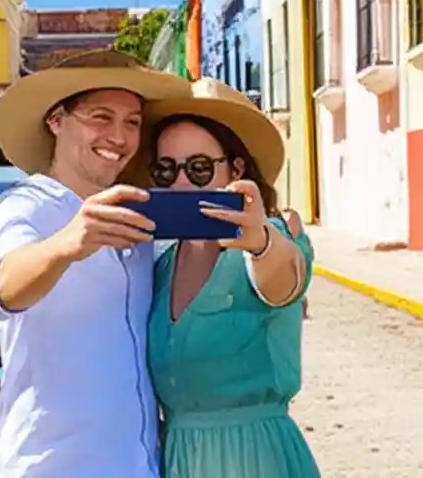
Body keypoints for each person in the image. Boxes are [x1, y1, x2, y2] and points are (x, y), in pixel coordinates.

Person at [0, 49, 190, 477]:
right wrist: (67, 244)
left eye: (132, 122)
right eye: (100, 117)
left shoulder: (138, 214)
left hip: (140, 464)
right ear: (56, 121)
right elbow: (7, 286)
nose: (119, 136)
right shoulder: (25, 210)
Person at [128, 77, 320, 478]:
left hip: (254, 460)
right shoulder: (161, 266)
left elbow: (285, 279)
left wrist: (261, 241)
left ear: (236, 168)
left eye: (198, 168)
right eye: (166, 170)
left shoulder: (273, 236)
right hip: (180, 459)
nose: (181, 183)